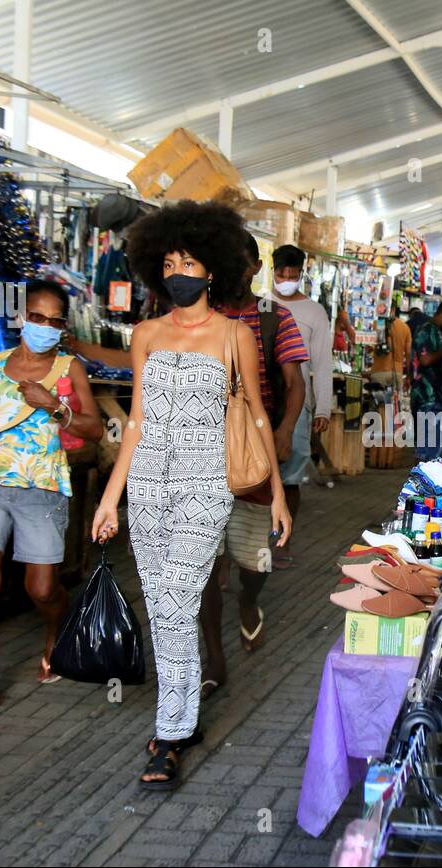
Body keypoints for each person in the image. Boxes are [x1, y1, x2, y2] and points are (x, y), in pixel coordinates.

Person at [90, 201, 291, 790]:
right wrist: (109, 498)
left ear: (213, 271)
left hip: (206, 483)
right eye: (170, 261)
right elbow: (136, 423)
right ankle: (182, 715)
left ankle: (170, 734)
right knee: (161, 605)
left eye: (191, 262)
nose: (180, 270)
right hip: (150, 483)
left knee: (178, 600)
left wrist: (276, 494)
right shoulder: (146, 334)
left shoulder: (234, 335)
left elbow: (256, 416)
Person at [0, 279, 103, 726]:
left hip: (42, 490)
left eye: (55, 321)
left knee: (42, 588)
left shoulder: (68, 369)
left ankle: (56, 634)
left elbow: (94, 429)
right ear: (22, 318)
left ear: (62, 327)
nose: (44, 327)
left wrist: (54, 407)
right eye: (37, 317)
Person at [199, 233, 309, 676]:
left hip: (254, 450)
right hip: (202, 450)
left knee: (255, 558)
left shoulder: (272, 318)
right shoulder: (196, 315)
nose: (232, 272)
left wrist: (284, 431)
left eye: (240, 263)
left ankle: (248, 599)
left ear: (255, 268)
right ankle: (213, 660)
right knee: (205, 556)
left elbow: (295, 382)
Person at [269, 243, 332, 563]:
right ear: (272, 271)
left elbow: (322, 363)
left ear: (301, 275)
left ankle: (283, 541)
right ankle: (252, 543)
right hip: (263, 401)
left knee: (291, 475)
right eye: (282, 274)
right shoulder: (261, 305)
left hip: (299, 403)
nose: (286, 280)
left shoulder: (314, 312)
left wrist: (323, 407)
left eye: (292, 275)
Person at [410, 298, 442, 462]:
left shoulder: (439, 333)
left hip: (438, 398)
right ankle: (423, 486)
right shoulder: (426, 330)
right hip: (427, 398)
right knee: (429, 455)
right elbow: (425, 360)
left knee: (435, 451)